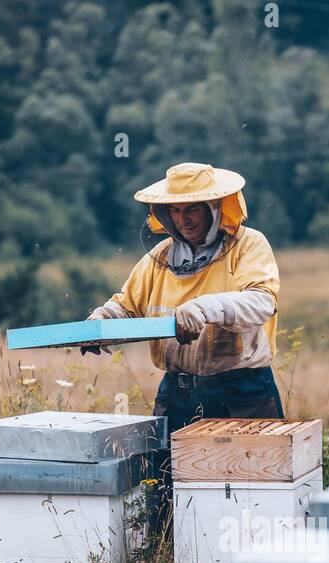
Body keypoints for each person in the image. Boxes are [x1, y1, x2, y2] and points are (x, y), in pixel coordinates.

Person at [86, 161, 284, 433]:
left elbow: (262, 301)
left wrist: (205, 308)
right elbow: (126, 305)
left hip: (242, 390)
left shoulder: (248, 244)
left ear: (214, 208)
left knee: (252, 473)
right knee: (167, 475)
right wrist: (102, 319)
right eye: (175, 211)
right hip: (178, 393)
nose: (183, 219)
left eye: (192, 209)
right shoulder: (160, 257)